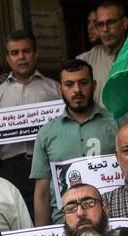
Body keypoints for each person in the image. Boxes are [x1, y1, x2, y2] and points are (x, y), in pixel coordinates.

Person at [30, 58, 118, 224]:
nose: (77, 90)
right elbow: (42, 194)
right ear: (60, 88)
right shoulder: (46, 133)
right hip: (64, 226)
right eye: (69, 84)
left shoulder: (117, 124)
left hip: (111, 221)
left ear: (94, 85)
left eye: (83, 83)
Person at [0, 30, 61, 204]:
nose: (21, 57)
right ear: (8, 59)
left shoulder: (55, 89)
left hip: (49, 164)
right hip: (11, 168)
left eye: (26, 51)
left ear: (36, 53)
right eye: (14, 53)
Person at [80, 1, 128, 122]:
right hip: (98, 137)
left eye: (110, 22)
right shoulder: (86, 61)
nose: (105, 29)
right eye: (100, 24)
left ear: (125, 23)